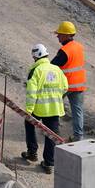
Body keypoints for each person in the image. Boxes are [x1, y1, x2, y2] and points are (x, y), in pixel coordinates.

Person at [20, 43, 67, 174]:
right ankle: (49, 163)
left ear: (35, 57)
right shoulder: (57, 69)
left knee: (29, 124)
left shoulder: (36, 70)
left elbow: (31, 92)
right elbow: (65, 87)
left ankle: (32, 152)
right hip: (55, 108)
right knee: (51, 135)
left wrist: (28, 110)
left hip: (38, 108)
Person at [52, 21, 87, 140]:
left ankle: (52, 130)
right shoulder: (79, 47)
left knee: (53, 106)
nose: (57, 36)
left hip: (65, 86)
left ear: (67, 35)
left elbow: (52, 66)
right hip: (79, 86)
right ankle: (78, 136)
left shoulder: (65, 50)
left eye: (60, 34)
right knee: (78, 111)